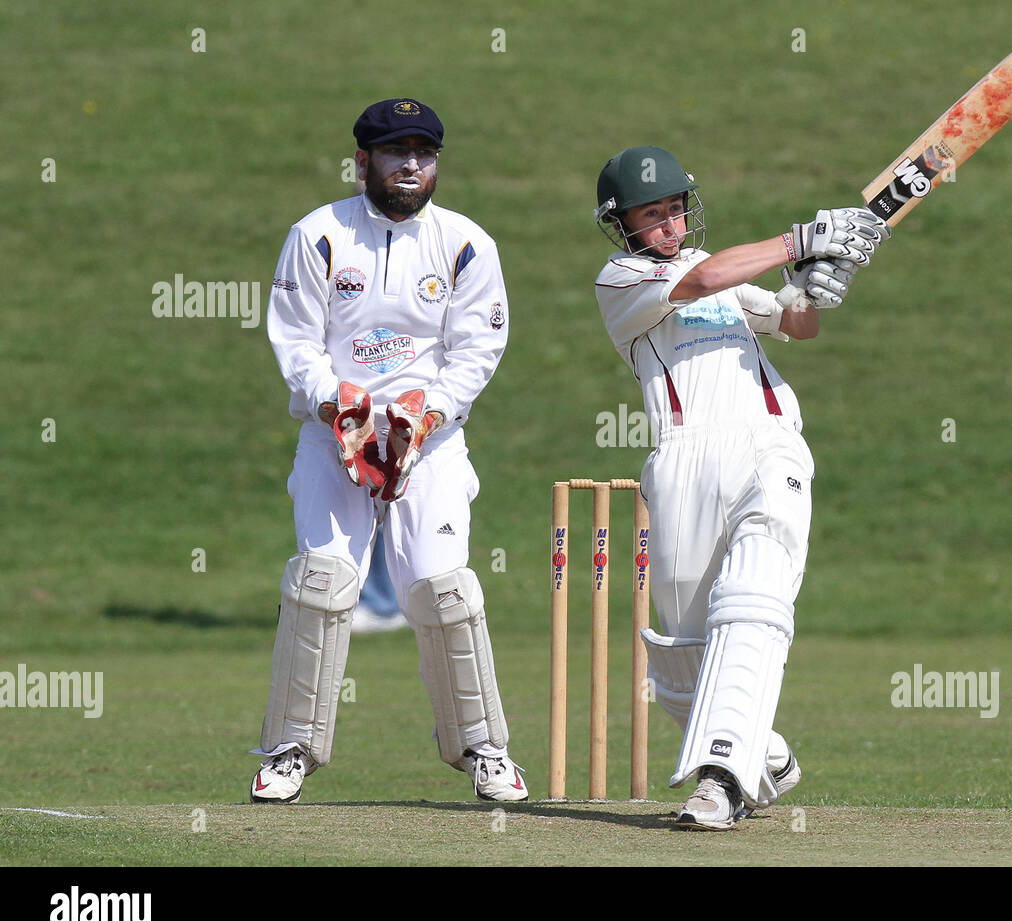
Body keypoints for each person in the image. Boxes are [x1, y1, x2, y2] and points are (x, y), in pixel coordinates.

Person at [591, 146, 888, 829]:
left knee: (751, 598)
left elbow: (798, 325)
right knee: (678, 665)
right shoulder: (621, 281)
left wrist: (810, 284)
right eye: (651, 216)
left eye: (675, 211)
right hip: (681, 463)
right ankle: (769, 758)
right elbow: (699, 282)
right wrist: (797, 242)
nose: (668, 226)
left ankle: (721, 777)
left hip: (765, 444)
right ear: (624, 226)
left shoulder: (722, 274)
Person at [249, 98, 526, 804]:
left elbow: (476, 350)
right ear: (362, 160)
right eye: (395, 151)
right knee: (322, 581)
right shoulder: (318, 236)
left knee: (443, 588)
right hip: (334, 438)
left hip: (427, 445)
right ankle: (289, 749)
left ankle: (484, 749)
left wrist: (423, 418)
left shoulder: (466, 244)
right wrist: (340, 409)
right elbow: (295, 342)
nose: (410, 164)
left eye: (423, 152)